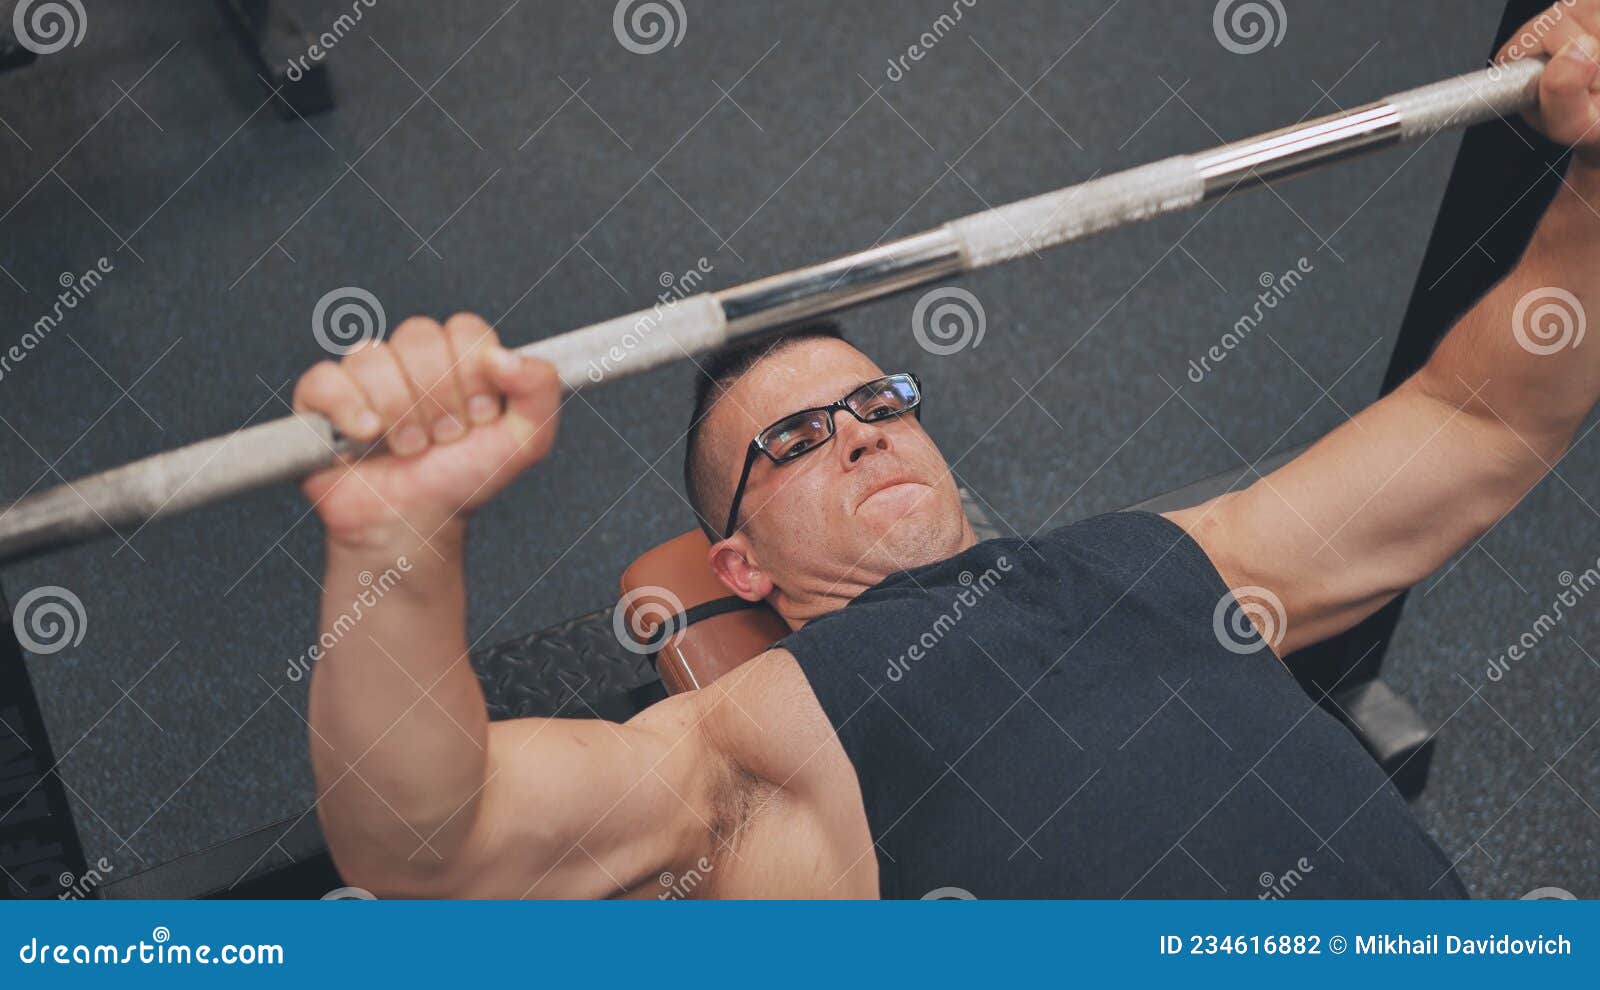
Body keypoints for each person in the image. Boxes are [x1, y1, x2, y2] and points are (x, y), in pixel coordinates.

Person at [295, 5, 1600, 898]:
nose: (859, 432)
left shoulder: (1167, 559)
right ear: (736, 561)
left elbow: (1478, 421)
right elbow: (434, 840)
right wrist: (396, 539)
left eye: (880, 401)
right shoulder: (746, 742)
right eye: (798, 440)